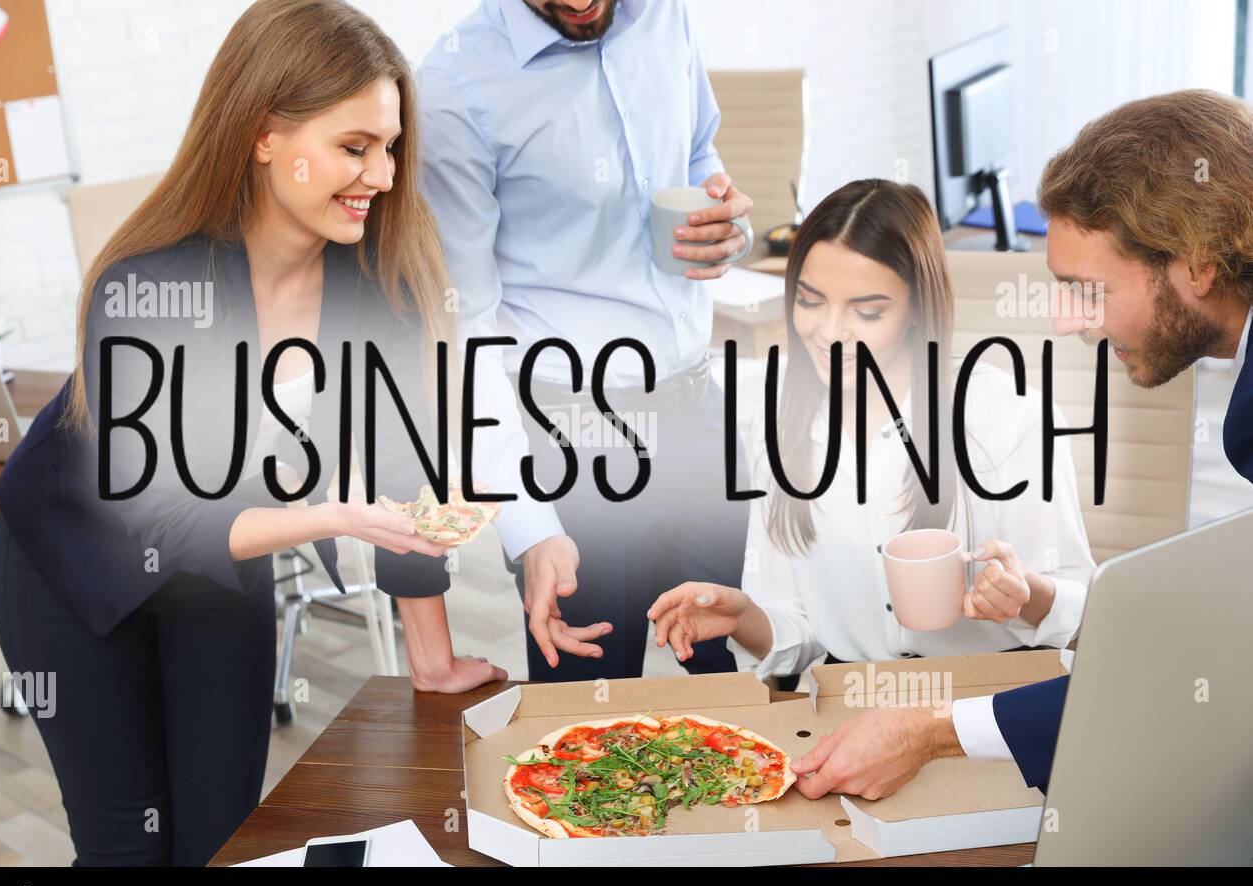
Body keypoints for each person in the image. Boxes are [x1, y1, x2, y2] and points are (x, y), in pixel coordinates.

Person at [0, 0, 602, 866]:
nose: (382, 175)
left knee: (222, 840)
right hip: (73, 566)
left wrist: (431, 659)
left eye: (390, 147)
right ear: (263, 135)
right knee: (127, 846)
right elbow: (165, 518)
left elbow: (401, 468)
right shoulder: (149, 286)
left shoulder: (376, 280)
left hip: (224, 558)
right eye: (355, 147)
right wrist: (334, 515)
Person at [748, 90, 1253, 803]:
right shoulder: (782, 421)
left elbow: (1210, 673)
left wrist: (938, 729)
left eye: (1088, 289)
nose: (1067, 323)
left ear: (1198, 265)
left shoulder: (1004, 416)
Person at [418, 0, 756, 680]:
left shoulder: (665, 16)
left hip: (699, 416)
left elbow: (697, 151)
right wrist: (531, 526)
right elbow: (463, 327)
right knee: (589, 701)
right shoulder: (453, 88)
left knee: (729, 678)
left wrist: (728, 228)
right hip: (574, 444)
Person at [647, 180, 1094, 681]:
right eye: (810, 302)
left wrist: (1027, 595)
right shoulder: (778, 426)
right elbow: (797, 630)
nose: (830, 331)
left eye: (866, 312)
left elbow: (1082, 610)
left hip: (991, 693)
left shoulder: (1011, 418)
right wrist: (744, 618)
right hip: (858, 693)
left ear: (917, 309)